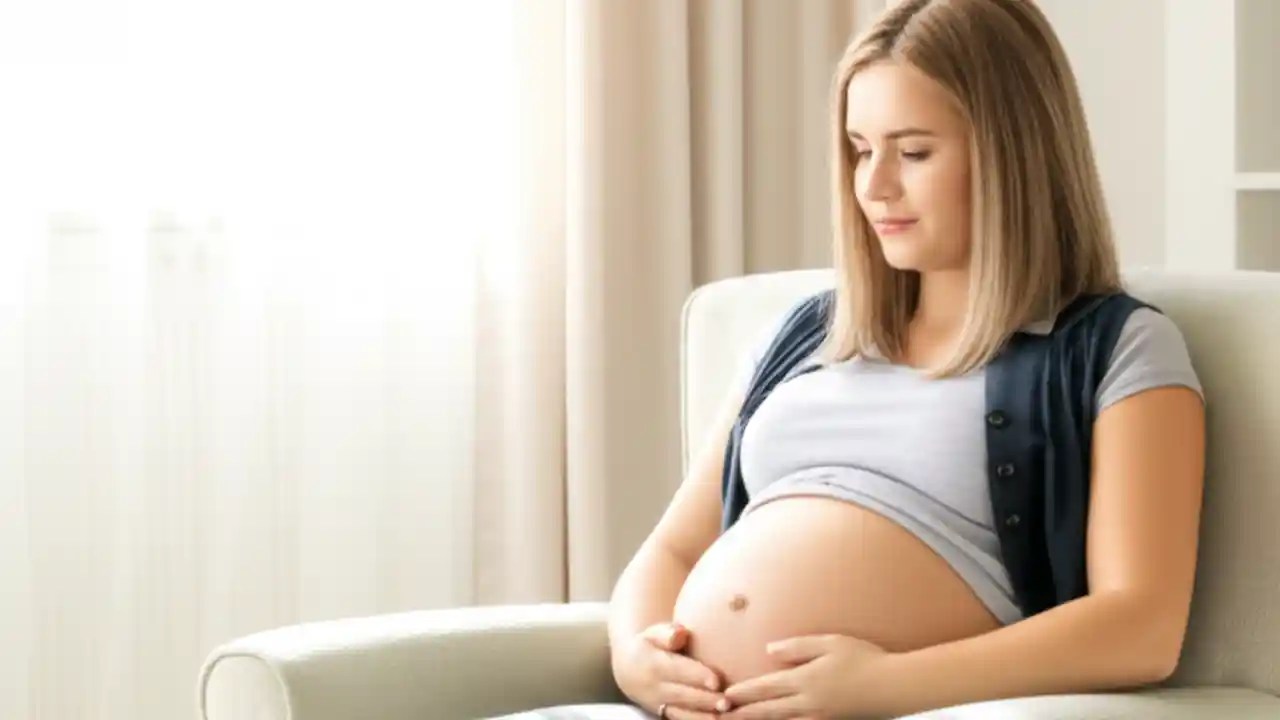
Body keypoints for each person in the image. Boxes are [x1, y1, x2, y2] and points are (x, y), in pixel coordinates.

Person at [505, 1, 1205, 718]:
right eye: (860, 149)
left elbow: (1141, 624)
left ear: (1013, 153)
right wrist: (635, 652)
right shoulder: (805, 336)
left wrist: (887, 686)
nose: (873, 187)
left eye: (913, 151)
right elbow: (674, 549)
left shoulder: (1110, 351)